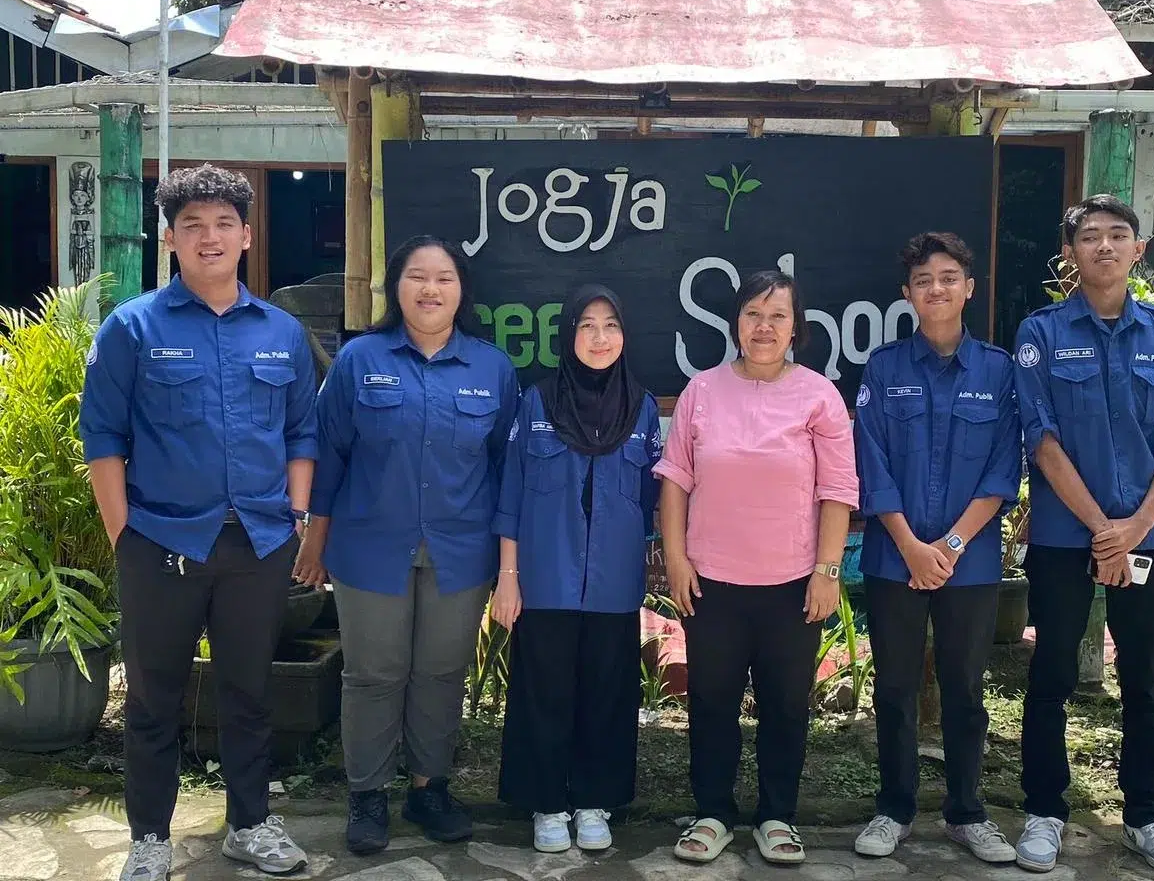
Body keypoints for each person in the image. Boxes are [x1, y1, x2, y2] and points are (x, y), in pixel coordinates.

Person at [80, 165, 317, 881]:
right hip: (161, 542)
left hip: (260, 542)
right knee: (153, 698)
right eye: (193, 225)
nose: (209, 237)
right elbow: (102, 437)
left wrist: (297, 517)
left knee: (248, 691)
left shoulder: (281, 331)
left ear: (247, 235)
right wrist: (126, 533)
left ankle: (250, 823)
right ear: (170, 237)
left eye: (223, 224)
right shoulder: (133, 327)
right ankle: (150, 838)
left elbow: (302, 431)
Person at [293, 235, 519, 856]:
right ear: (396, 288)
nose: (430, 289)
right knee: (372, 674)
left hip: (462, 551)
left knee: (442, 674)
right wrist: (315, 538)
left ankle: (428, 789)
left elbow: (507, 471)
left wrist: (508, 562)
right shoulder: (360, 360)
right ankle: (367, 796)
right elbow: (329, 451)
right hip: (369, 548)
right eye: (417, 276)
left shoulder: (491, 368)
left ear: (462, 291)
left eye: (444, 278)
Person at [1012, 195, 1154, 878]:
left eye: (1116, 236)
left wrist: (1137, 526)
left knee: (1146, 683)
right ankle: (1043, 811)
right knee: (1053, 673)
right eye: (1088, 237)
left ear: (1138, 248)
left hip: (1144, 535)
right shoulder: (1039, 332)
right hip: (1071, 538)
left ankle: (1147, 817)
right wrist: (1103, 530)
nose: (1103, 247)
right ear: (1070, 254)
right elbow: (1043, 441)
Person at [656, 270, 859, 866]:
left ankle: (777, 816)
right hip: (712, 581)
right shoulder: (702, 391)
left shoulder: (820, 396)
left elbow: (837, 490)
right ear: (736, 323)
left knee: (787, 705)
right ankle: (713, 813)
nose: (763, 327)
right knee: (712, 703)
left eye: (777, 316)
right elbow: (676, 478)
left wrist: (827, 571)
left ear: (797, 327)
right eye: (752, 314)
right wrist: (675, 556)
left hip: (793, 584)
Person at [852, 232, 1022, 864]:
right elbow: (872, 467)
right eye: (924, 280)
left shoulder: (1000, 372)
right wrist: (912, 547)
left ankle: (966, 812)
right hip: (895, 558)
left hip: (970, 562)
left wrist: (946, 546)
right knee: (894, 687)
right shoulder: (884, 369)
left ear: (968, 288)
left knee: (966, 689)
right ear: (908, 295)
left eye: (949, 277)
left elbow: (1005, 469)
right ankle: (893, 808)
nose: (937, 288)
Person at [490, 285, 662, 853]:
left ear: (624, 336)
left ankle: (593, 802)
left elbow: (650, 500)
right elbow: (511, 492)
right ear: (568, 335)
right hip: (544, 579)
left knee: (607, 694)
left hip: (613, 584)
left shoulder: (641, 408)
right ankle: (545, 804)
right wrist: (508, 577)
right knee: (544, 693)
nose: (599, 338)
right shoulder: (537, 401)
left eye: (610, 325)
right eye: (587, 325)